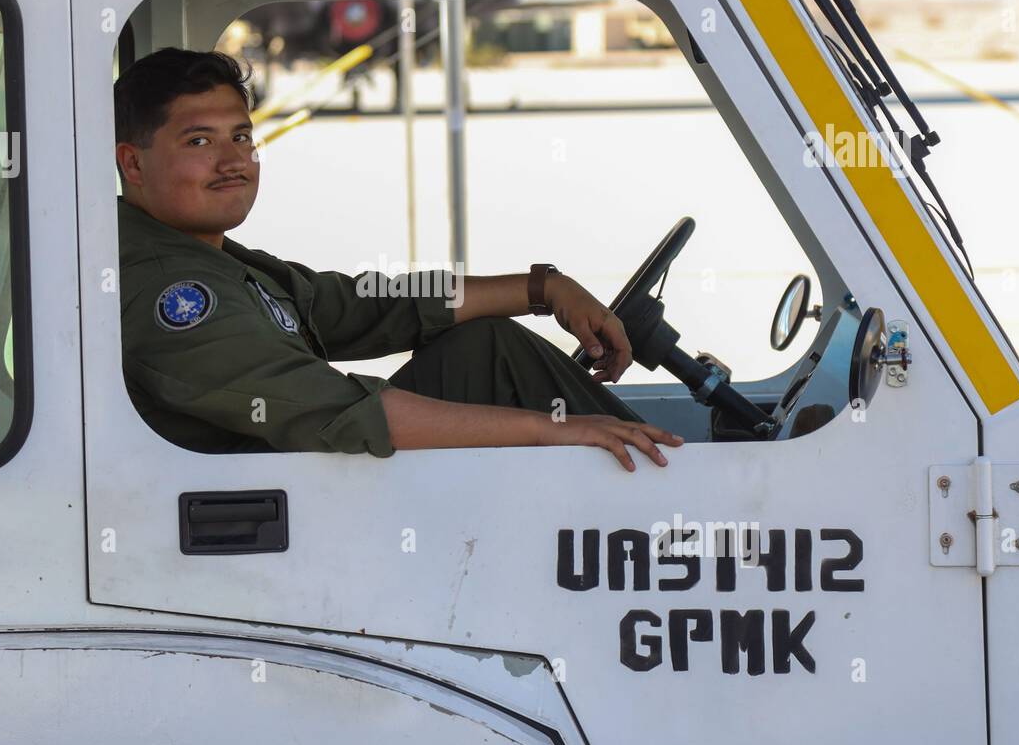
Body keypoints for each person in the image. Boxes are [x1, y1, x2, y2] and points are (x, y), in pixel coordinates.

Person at [114, 48, 683, 472]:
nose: (233, 161)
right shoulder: (174, 294)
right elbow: (338, 410)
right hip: (287, 521)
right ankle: (676, 487)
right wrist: (554, 429)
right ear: (133, 165)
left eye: (241, 137)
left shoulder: (209, 257)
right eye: (199, 142)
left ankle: (658, 465)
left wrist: (542, 288)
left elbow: (366, 304)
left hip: (311, 492)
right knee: (508, 373)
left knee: (482, 344)